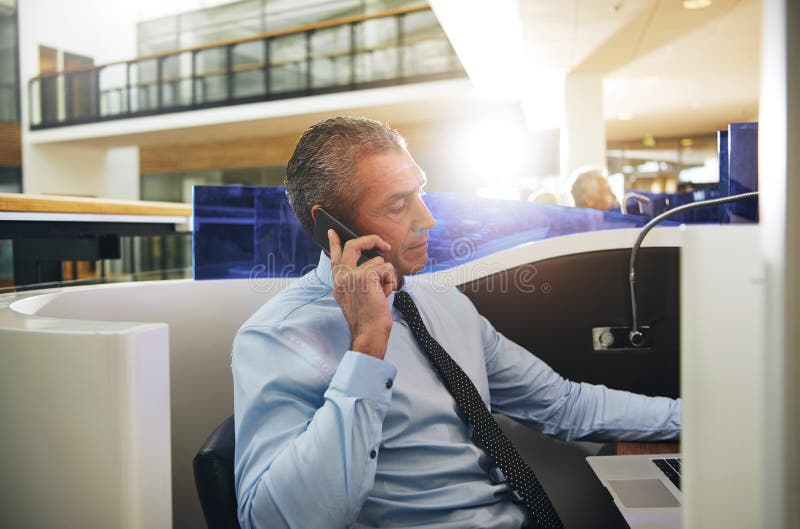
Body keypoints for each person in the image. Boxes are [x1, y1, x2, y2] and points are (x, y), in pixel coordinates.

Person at [232, 116, 680, 529]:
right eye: (398, 205)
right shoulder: (276, 337)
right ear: (331, 228)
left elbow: (562, 403)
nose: (427, 219)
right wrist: (366, 346)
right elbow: (274, 521)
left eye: (420, 192)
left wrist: (699, 418)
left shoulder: (440, 303)